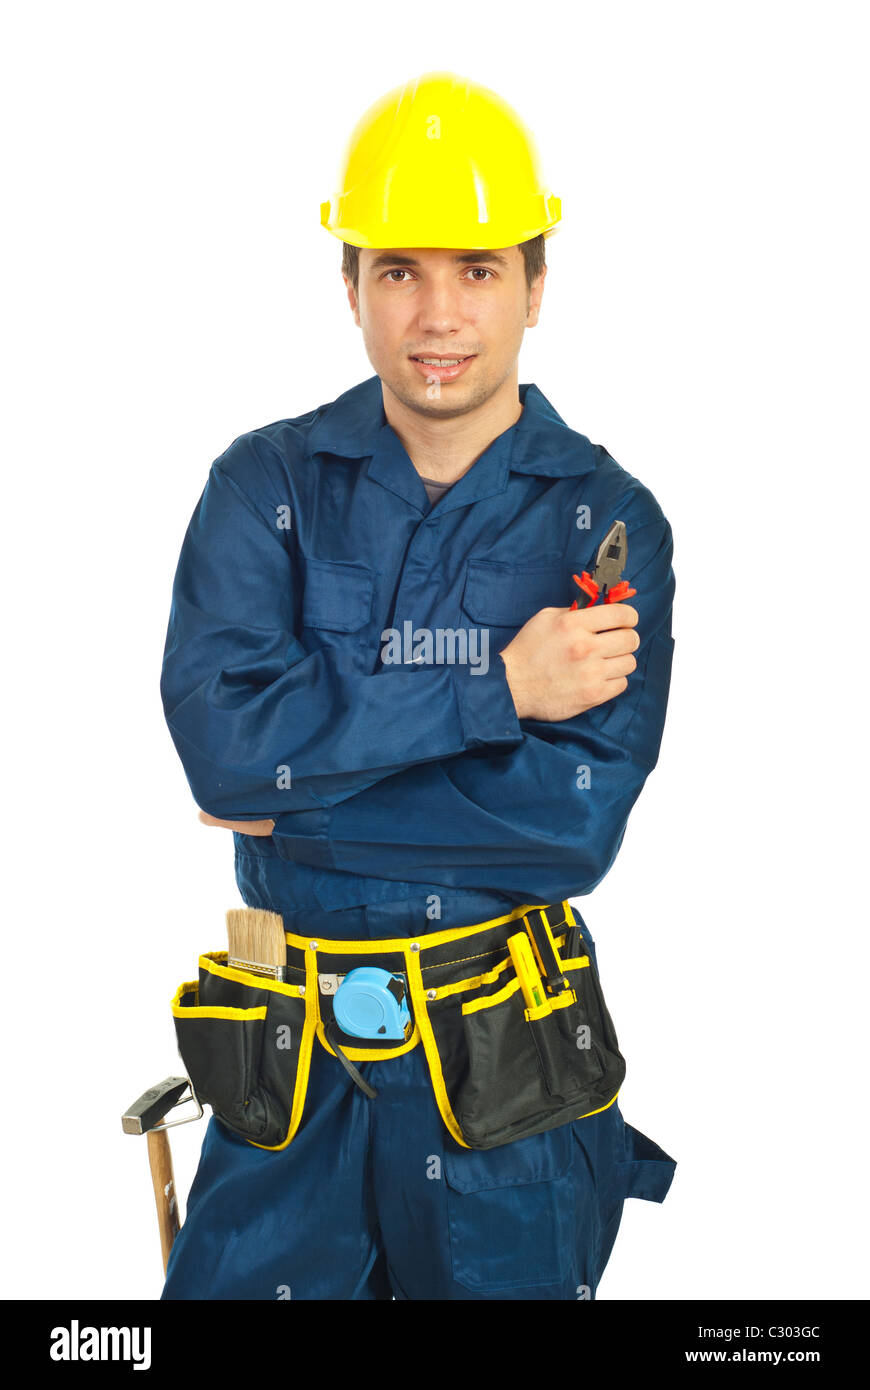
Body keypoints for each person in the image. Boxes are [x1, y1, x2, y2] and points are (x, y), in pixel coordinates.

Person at [159, 71, 677, 1301]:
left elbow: (566, 828)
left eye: (479, 269)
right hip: (286, 1082)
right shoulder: (260, 488)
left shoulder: (607, 524)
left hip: (507, 1079)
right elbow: (221, 750)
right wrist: (499, 686)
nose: (438, 314)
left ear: (537, 285)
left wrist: (300, 801)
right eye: (399, 269)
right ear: (349, 285)